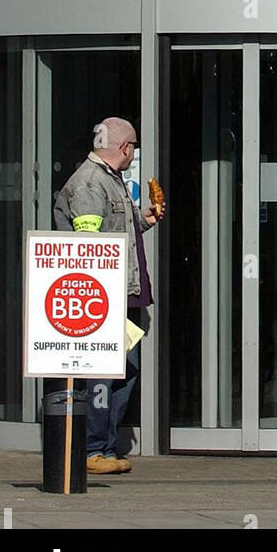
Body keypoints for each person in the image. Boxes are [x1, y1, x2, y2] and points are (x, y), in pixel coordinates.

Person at [53, 117, 165, 475]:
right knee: (102, 374)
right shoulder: (90, 183)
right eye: (133, 146)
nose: (133, 153)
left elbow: (116, 232)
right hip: (106, 298)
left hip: (124, 294)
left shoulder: (110, 181)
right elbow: (90, 248)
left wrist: (143, 219)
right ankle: (92, 450)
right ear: (124, 148)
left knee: (124, 371)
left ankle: (105, 445)